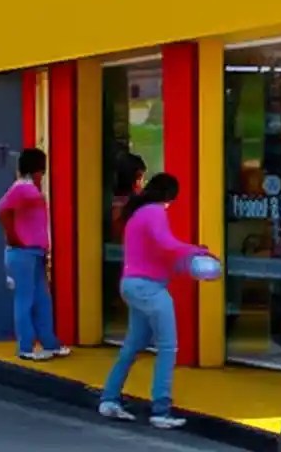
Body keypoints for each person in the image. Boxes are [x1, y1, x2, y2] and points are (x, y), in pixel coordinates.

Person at [99, 173, 209, 429]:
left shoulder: (137, 213)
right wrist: (195, 250)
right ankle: (161, 410)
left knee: (132, 346)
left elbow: (156, 250)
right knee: (168, 348)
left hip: (131, 285)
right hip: (150, 289)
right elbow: (166, 243)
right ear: (168, 195)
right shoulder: (155, 212)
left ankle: (109, 398)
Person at [0, 148, 70, 361]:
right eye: (42, 170)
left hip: (33, 252)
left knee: (41, 299)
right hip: (23, 252)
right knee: (25, 299)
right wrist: (13, 237)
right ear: (38, 170)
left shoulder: (26, 189)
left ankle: (50, 343)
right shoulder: (23, 189)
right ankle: (26, 347)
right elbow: (2, 210)